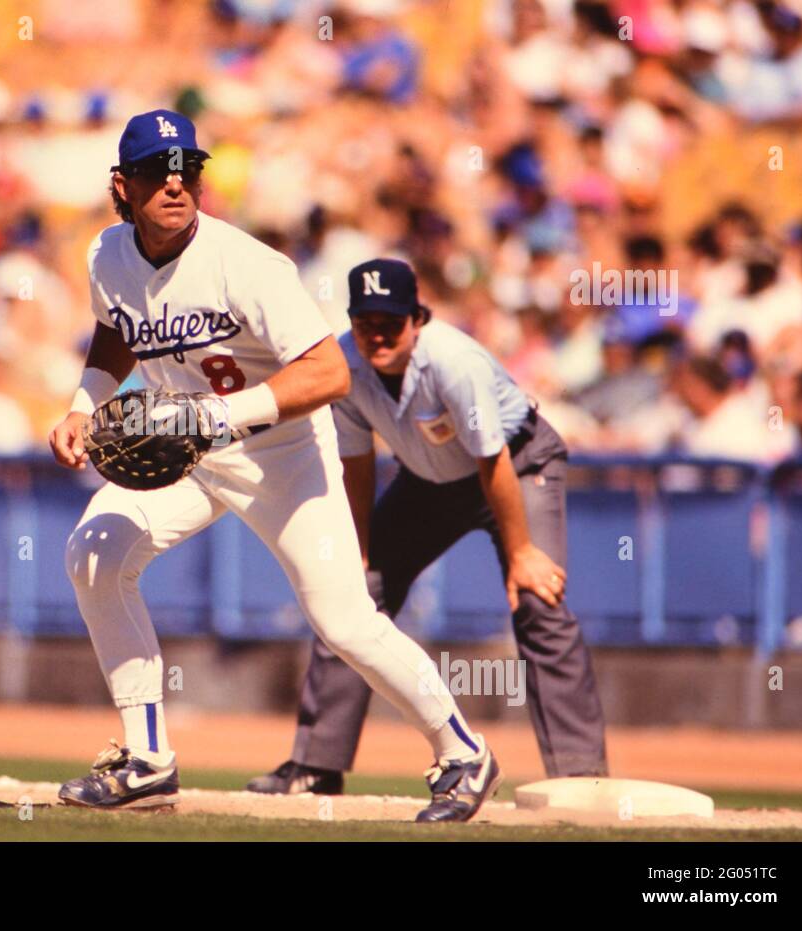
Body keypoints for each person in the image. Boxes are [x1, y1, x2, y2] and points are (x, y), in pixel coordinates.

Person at [47, 112, 501, 822]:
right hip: (187, 447)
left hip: (279, 449)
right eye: (155, 171)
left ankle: (463, 751)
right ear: (120, 186)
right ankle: (147, 759)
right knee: (93, 554)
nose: (174, 182)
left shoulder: (248, 264)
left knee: (344, 620)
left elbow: (327, 375)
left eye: (187, 169)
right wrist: (84, 403)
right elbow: (117, 329)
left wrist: (216, 416)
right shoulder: (107, 255)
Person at [248, 258, 608, 796]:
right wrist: (359, 550)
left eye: (391, 322)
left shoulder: (452, 360)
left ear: (417, 318)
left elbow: (494, 462)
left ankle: (581, 777)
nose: (378, 334)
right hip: (429, 480)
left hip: (518, 465)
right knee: (351, 594)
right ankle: (316, 765)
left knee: (538, 599)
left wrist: (522, 552)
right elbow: (357, 463)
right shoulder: (344, 364)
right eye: (366, 321)